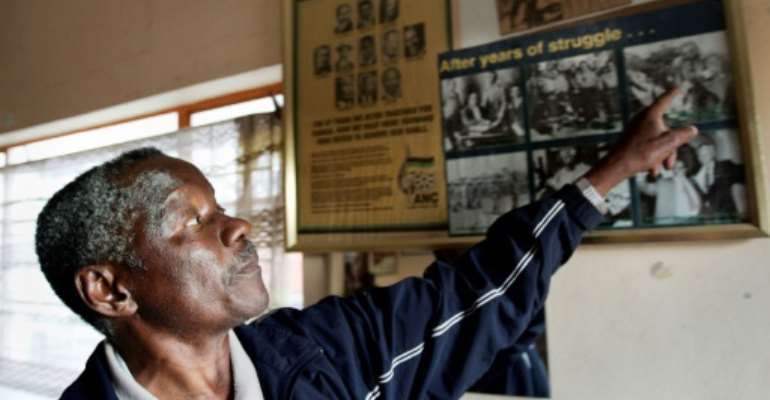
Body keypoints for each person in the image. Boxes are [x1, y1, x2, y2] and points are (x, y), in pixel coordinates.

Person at [37, 91, 696, 399]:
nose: (237, 228)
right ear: (111, 289)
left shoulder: (328, 351)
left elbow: (480, 293)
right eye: (192, 219)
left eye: (224, 208)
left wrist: (610, 173)